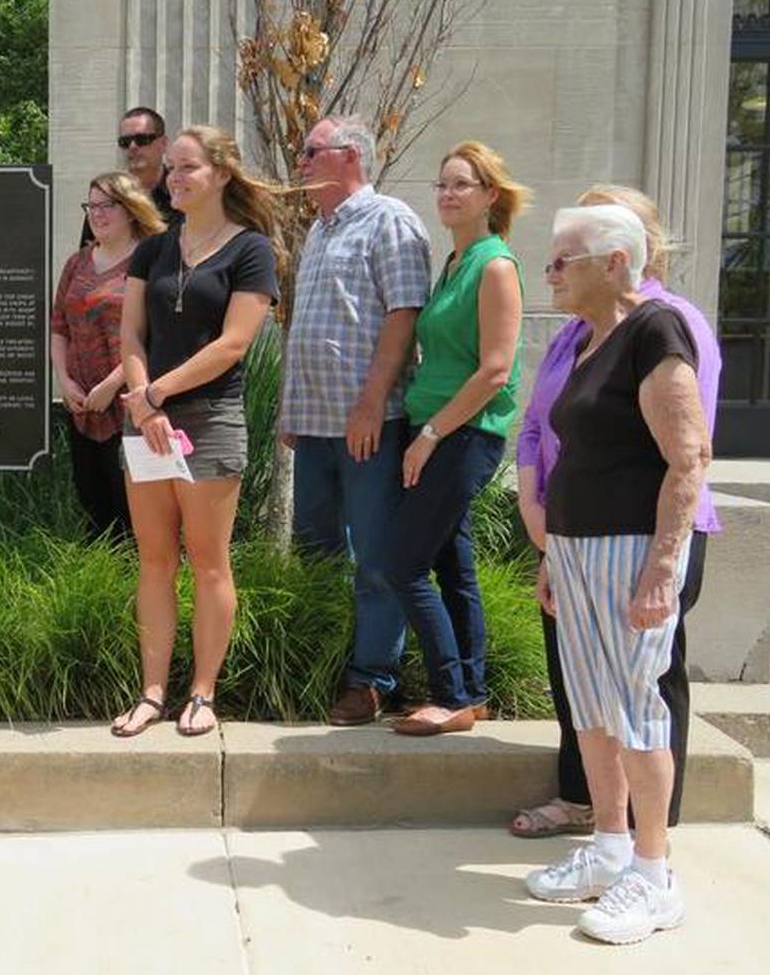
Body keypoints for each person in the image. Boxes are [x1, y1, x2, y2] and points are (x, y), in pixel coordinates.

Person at [525, 204, 711, 945]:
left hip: (631, 550)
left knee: (637, 710)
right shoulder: (591, 338)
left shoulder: (654, 331)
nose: (551, 271)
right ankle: (607, 847)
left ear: (612, 262)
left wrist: (663, 570)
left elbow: (687, 457)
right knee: (593, 708)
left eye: (563, 259)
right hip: (577, 553)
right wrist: (554, 557)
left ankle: (654, 873)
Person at [110, 125, 281, 737]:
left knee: (208, 562)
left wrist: (157, 392)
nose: (175, 178)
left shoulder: (251, 249)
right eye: (172, 170)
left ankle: (202, 694)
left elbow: (234, 345)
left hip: (209, 420)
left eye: (188, 168)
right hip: (148, 423)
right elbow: (131, 336)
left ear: (222, 175)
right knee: (154, 561)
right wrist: (144, 405)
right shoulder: (154, 249)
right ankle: (152, 692)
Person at [279, 114, 432, 726]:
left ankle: (371, 678)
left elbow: (404, 314)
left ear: (349, 156)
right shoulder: (319, 231)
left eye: (311, 150)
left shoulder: (388, 220)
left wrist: (371, 401)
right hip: (315, 425)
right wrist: (291, 411)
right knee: (315, 550)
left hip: (368, 423)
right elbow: (313, 328)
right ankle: (317, 664)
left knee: (374, 556)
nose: (302, 161)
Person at [387, 141, 527, 736]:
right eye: (442, 184)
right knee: (453, 566)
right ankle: (472, 690)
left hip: (462, 433)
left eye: (461, 185)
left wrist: (431, 435)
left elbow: (496, 369)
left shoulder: (495, 265)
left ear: (489, 196)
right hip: (435, 427)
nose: (447, 194)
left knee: (404, 565)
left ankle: (451, 696)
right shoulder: (452, 263)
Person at [51, 173, 167, 538]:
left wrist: (112, 383)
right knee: (94, 514)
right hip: (82, 407)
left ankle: (141, 591)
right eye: (91, 206)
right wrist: (64, 380)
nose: (97, 215)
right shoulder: (77, 263)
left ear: (131, 210)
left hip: (132, 406)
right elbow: (59, 326)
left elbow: (153, 333)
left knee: (132, 515)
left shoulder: (151, 260)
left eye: (107, 206)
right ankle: (99, 587)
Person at [79, 106, 176, 246]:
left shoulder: (181, 191)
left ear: (164, 143)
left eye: (142, 139)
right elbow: (88, 256)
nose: (133, 147)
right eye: (125, 142)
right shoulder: (105, 196)